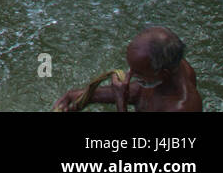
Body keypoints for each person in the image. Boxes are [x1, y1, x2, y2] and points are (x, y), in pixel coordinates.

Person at [53, 27, 202, 112]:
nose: (129, 74)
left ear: (163, 73)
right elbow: (137, 92)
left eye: (137, 72)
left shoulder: (181, 108)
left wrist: (120, 100)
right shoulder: (168, 65)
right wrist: (75, 96)